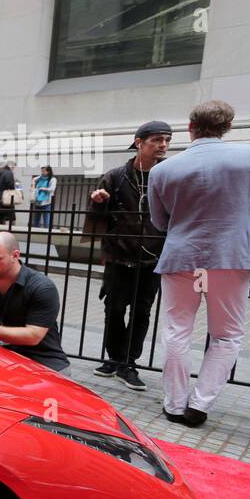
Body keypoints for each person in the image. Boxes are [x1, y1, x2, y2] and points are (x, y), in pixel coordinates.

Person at [149, 100, 250, 428]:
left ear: (190, 127)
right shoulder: (247, 158)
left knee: (177, 331)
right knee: (227, 336)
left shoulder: (163, 169)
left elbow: (159, 221)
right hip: (230, 257)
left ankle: (175, 404)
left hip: (182, 256)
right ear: (229, 127)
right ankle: (200, 404)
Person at [86, 121, 170, 391]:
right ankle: (114, 358)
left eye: (167, 140)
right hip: (119, 255)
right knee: (114, 307)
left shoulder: (167, 175)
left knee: (142, 311)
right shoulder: (115, 177)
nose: (163, 145)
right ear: (139, 143)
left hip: (153, 257)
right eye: (157, 140)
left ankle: (128, 363)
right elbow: (99, 219)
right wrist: (98, 201)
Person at [0, 232, 70, 373]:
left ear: (15, 255)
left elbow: (33, 336)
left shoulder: (41, 287)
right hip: (1, 358)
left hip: (43, 362)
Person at [0, 160, 17, 226]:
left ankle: (0, 233)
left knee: (0, 220)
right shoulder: (9, 173)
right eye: (13, 166)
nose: (13, 168)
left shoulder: (0, 173)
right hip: (6, 199)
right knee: (9, 219)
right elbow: (11, 186)